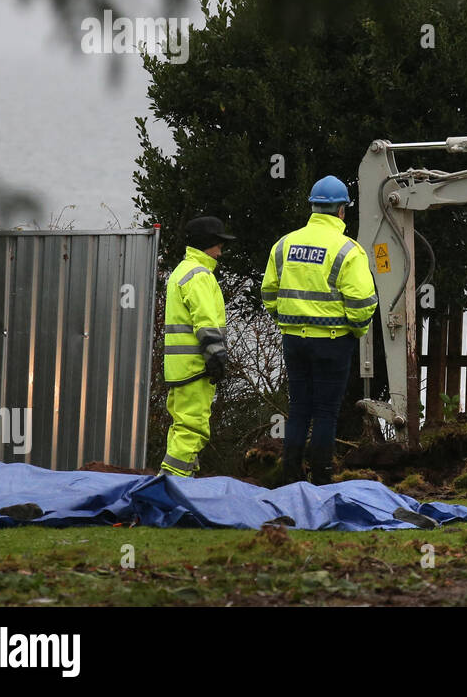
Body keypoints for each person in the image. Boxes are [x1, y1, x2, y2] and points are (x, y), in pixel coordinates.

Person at [262, 175, 378, 485]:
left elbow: (269, 292)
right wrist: (355, 329)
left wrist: (287, 322)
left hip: (294, 341)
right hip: (332, 342)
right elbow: (363, 302)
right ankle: (322, 477)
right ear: (342, 211)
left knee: (299, 408)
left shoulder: (283, 244)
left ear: (313, 207)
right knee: (326, 411)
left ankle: (289, 476)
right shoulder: (348, 250)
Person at [160, 216, 235, 477]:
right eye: (218, 245)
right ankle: (171, 486)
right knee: (193, 429)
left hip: (179, 369)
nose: (221, 252)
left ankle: (184, 482)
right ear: (208, 244)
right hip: (195, 368)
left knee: (181, 427)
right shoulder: (200, 275)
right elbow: (205, 322)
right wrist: (217, 357)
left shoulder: (181, 271)